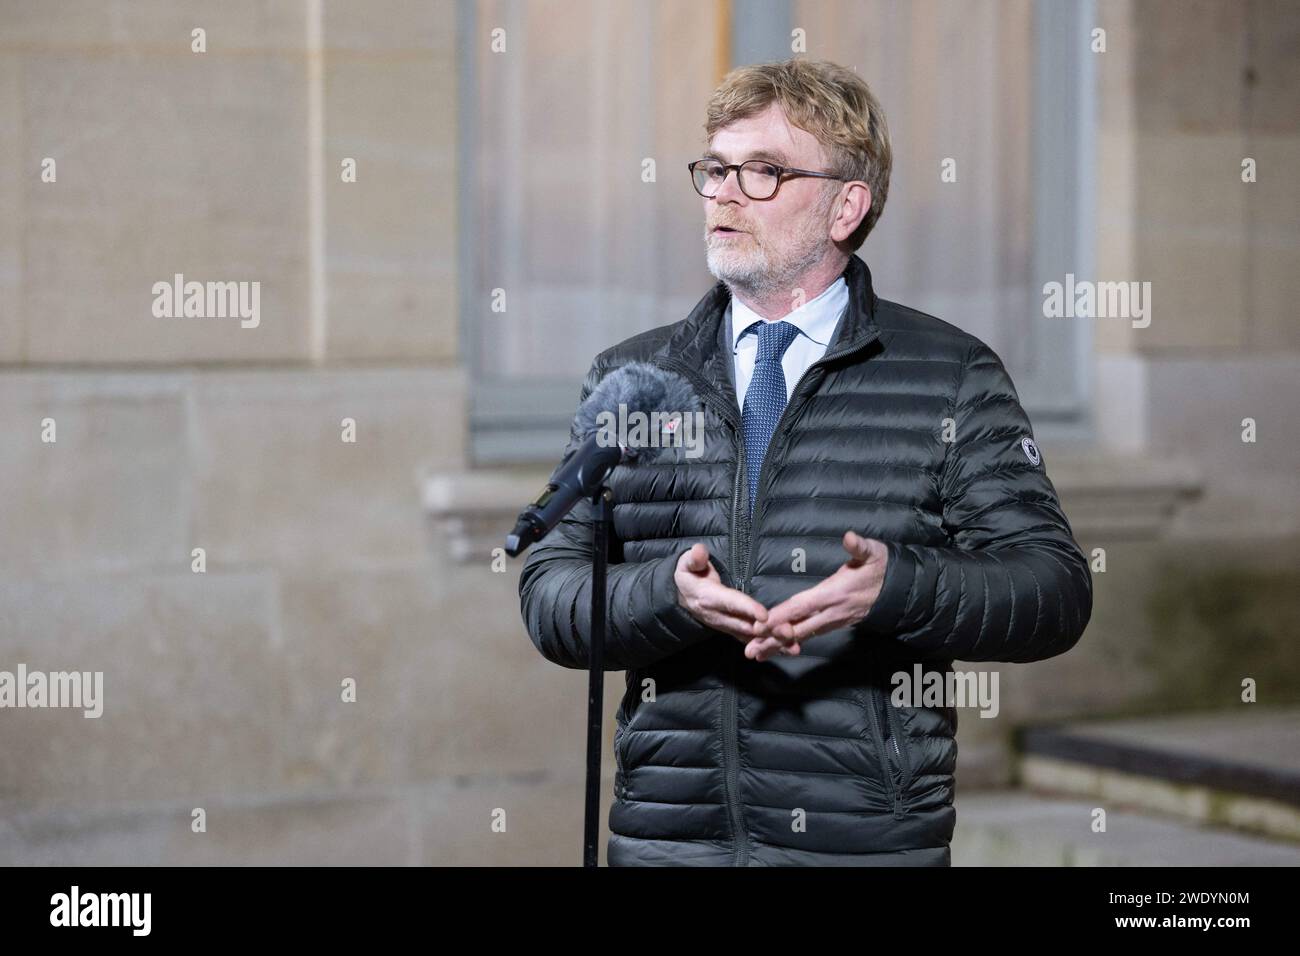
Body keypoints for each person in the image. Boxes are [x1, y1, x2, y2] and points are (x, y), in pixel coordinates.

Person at [518, 58, 1092, 866]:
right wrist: (667, 597)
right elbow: (551, 595)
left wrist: (897, 587)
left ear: (845, 206)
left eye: (764, 172)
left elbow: (1056, 592)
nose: (722, 192)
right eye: (715, 168)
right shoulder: (632, 380)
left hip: (863, 844)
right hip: (666, 843)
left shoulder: (950, 375)